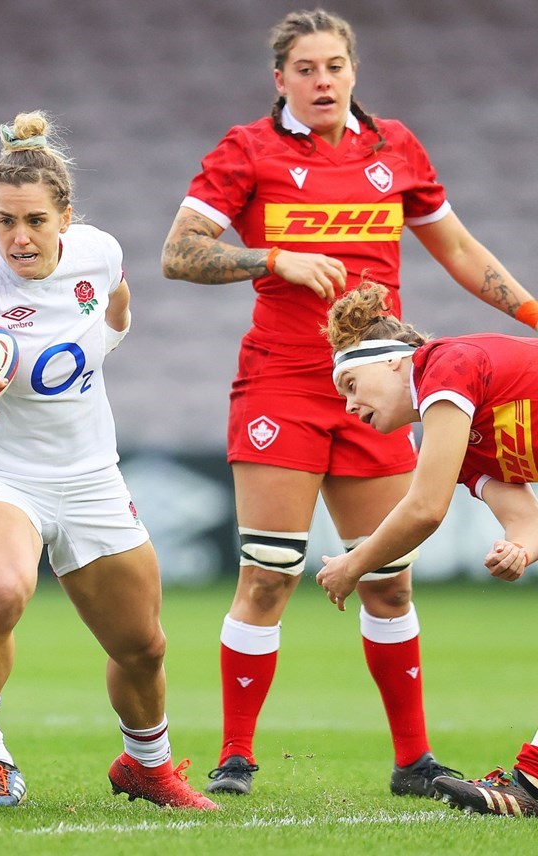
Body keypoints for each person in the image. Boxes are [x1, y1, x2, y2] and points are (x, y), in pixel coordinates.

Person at [159, 8, 535, 797]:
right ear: (280, 79)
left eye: (334, 66)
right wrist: (274, 259)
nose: (322, 80)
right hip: (282, 384)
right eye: (305, 68)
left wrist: (532, 312)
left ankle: (413, 763)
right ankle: (235, 757)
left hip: (384, 390)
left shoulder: (395, 148)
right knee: (269, 573)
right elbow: (178, 253)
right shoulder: (247, 150)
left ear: (353, 71)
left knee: (388, 578)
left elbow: (458, 249)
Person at [0, 111, 215, 810]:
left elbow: (117, 302)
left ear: (66, 219)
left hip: (90, 478)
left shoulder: (98, 252)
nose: (19, 237)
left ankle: (146, 766)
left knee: (143, 645)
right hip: (0, 476)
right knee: (4, 590)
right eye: (4, 222)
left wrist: (109, 340)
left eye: (34, 221)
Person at [314, 283, 538, 817]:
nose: (349, 405)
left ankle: (530, 784)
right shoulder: (461, 435)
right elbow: (527, 520)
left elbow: (425, 508)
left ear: (394, 362)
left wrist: (352, 565)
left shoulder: (446, 365)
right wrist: (521, 551)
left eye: (351, 383)